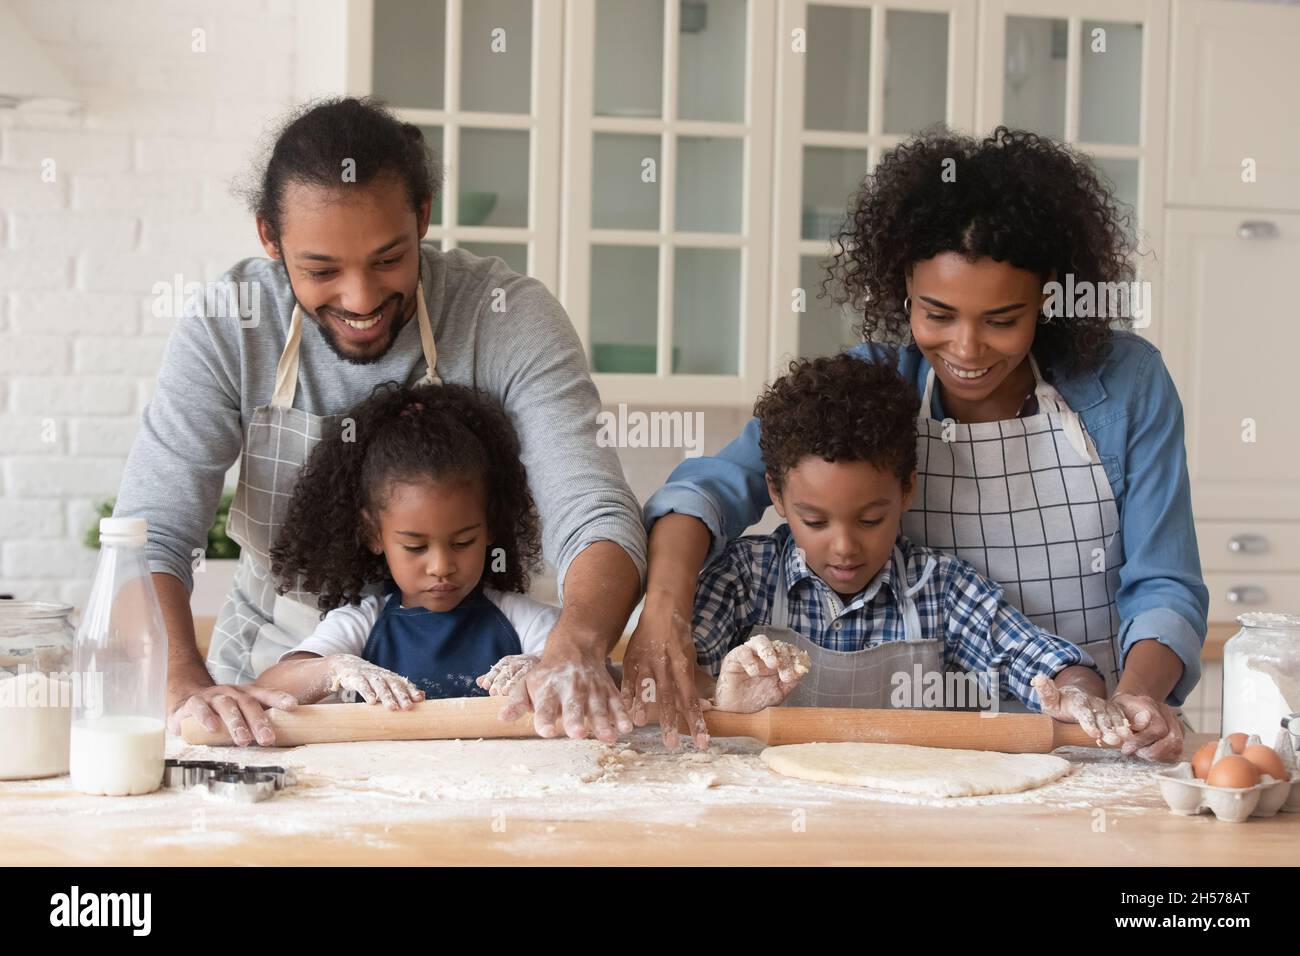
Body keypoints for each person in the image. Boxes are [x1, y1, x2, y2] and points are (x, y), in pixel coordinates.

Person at [627, 128, 1208, 761]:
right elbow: (704, 492)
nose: (966, 349)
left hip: (1096, 733)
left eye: (1002, 320)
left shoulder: (1123, 382)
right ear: (903, 286)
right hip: (942, 750)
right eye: (937, 314)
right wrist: (663, 609)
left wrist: (1136, 701)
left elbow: (1164, 584)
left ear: (1047, 294)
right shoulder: (872, 390)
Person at [115, 98, 644, 746]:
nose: (361, 299)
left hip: (485, 704)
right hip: (271, 692)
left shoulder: (505, 316)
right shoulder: (233, 324)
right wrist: (183, 686)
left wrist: (573, 650)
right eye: (321, 270)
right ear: (269, 239)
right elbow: (150, 538)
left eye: (389, 259)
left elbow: (593, 512)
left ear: (423, 218)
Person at [254, 382, 557, 707]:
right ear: (373, 534)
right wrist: (335, 668)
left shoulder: (524, 622)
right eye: (415, 547)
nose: (441, 566)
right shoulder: (359, 624)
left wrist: (545, 668)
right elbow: (273, 686)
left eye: (463, 542)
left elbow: (594, 673)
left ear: (491, 527)